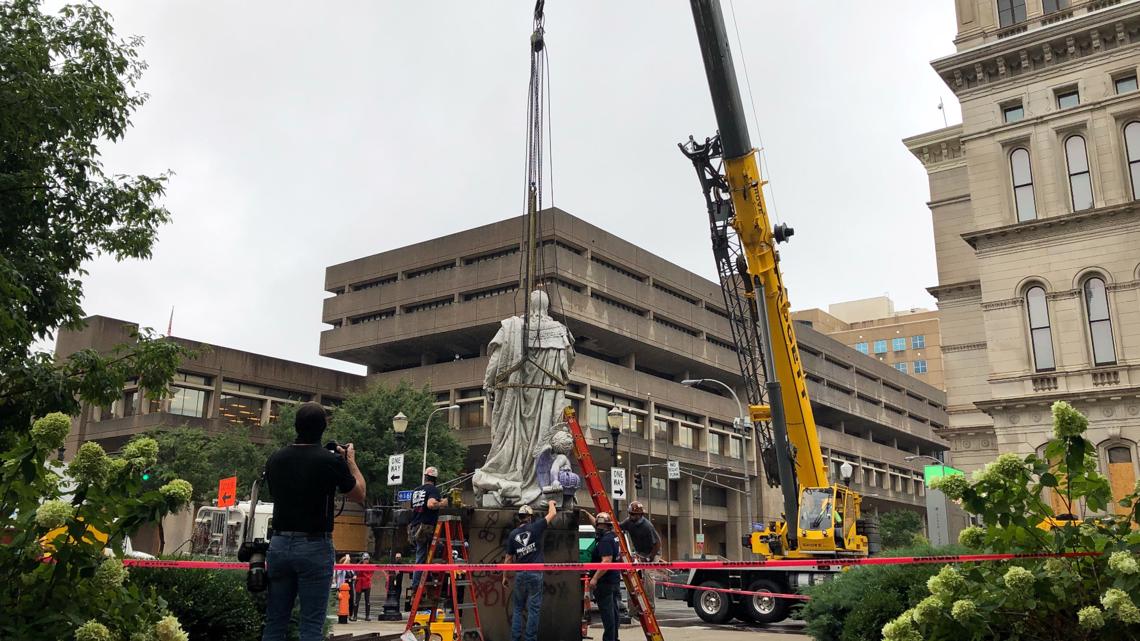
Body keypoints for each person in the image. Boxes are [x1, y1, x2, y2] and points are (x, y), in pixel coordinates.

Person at [262, 402, 366, 641]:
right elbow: (359, 493)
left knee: (275, 622)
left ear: (296, 426)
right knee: (311, 625)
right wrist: (350, 461)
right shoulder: (329, 461)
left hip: (278, 544)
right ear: (323, 428)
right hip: (314, 546)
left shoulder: (276, 459)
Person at [502, 501, 557, 641]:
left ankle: (515, 638)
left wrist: (505, 577)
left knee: (518, 609)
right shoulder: (536, 527)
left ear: (519, 517)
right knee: (533, 609)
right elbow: (553, 514)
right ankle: (530, 639)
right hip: (535, 573)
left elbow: (508, 559)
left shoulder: (513, 534)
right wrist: (551, 503)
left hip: (520, 574)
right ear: (530, 517)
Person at [408, 466, 449, 589]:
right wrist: (443, 503)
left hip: (414, 528)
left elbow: (416, 506)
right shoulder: (433, 489)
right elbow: (431, 504)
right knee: (431, 553)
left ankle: (426, 578)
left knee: (423, 555)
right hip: (426, 528)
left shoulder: (416, 491)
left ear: (425, 477)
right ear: (435, 479)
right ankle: (417, 585)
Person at [620, 501, 661, 611]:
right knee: (633, 578)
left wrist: (649, 558)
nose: (631, 516)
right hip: (640, 553)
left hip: (652, 553)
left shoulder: (647, 526)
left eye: (634, 514)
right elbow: (618, 528)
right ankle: (633, 609)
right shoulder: (628, 522)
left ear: (640, 515)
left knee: (648, 576)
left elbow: (657, 543)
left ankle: (650, 606)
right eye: (630, 514)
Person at [590, 512, 622, 641]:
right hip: (613, 580)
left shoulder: (605, 541)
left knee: (608, 615)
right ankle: (614, 638)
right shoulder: (613, 536)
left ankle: (609, 639)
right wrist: (586, 514)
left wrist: (595, 578)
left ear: (606, 526)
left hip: (605, 582)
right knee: (613, 612)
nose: (598, 528)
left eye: (600, 526)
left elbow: (606, 562)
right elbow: (597, 524)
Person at [354, 553, 374, 621]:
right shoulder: (359, 565)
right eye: (365, 559)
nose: (366, 561)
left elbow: (371, 573)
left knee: (367, 601)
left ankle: (367, 616)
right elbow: (356, 571)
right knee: (357, 601)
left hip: (367, 584)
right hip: (359, 583)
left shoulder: (370, 566)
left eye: (367, 559)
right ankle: (355, 616)